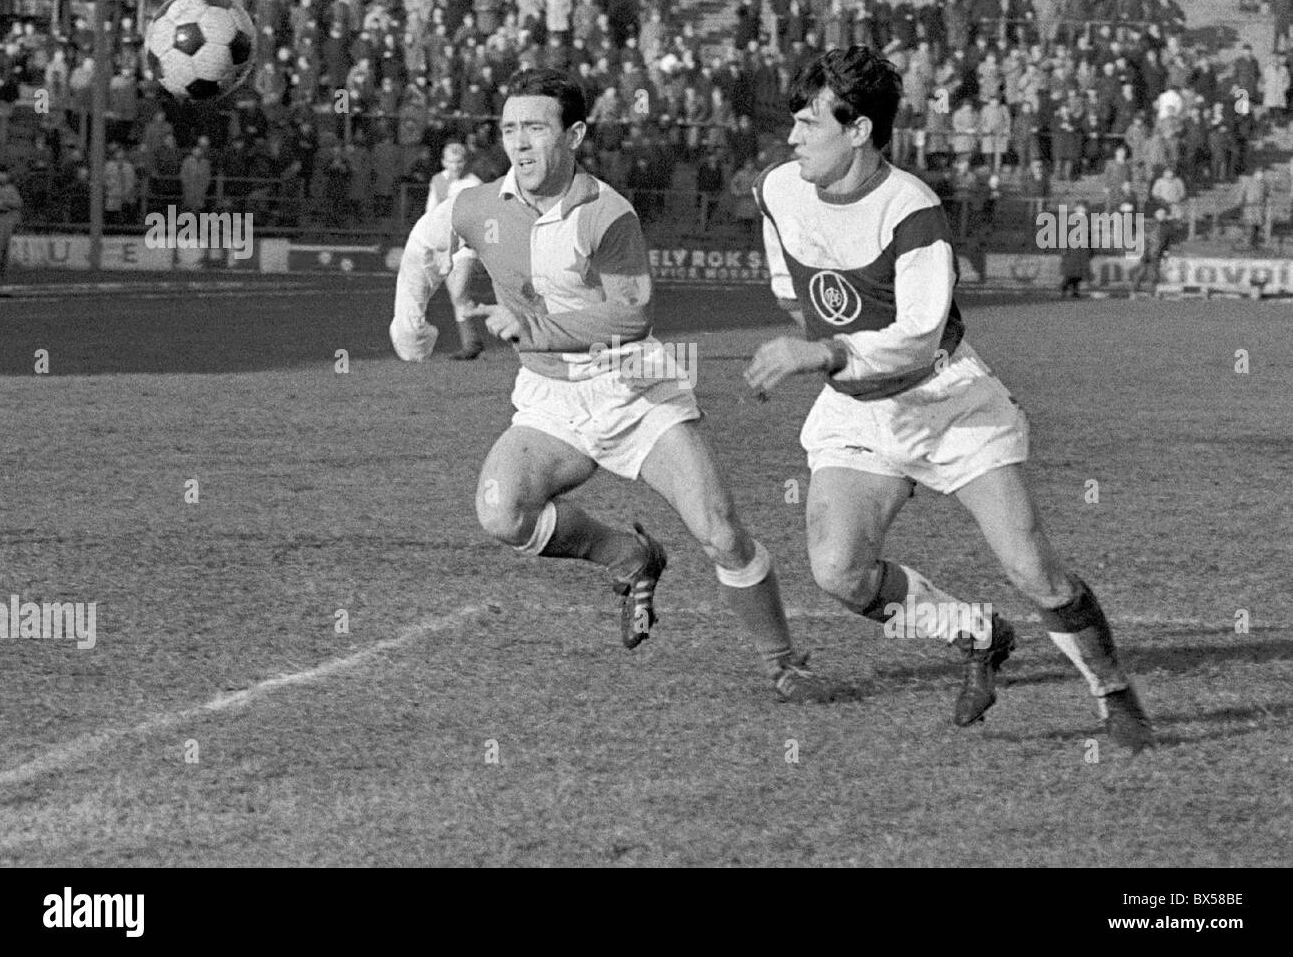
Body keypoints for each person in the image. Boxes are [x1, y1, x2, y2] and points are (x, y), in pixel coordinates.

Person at [744, 46, 1154, 750]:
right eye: (795, 122)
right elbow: (787, 275)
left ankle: (1114, 696)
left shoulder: (912, 208)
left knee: (1033, 567)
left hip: (947, 399)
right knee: (840, 572)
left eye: (811, 124)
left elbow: (919, 333)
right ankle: (977, 635)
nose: (794, 137)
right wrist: (812, 332)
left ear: (861, 130)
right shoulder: (779, 188)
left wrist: (822, 350)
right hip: (857, 408)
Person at [389, 68, 839, 703]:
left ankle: (785, 662)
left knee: (719, 530)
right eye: (510, 128)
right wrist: (406, 321)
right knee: (501, 511)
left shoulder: (607, 212)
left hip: (633, 387)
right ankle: (628, 558)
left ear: (572, 134)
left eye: (535, 128)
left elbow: (631, 317)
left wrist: (533, 326)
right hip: (550, 397)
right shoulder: (479, 204)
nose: (520, 143)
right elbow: (424, 245)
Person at [425, 142, 486, 360]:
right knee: (458, 297)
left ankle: (500, 320)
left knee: (459, 291)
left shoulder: (473, 183)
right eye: (451, 161)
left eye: (459, 161)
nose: (455, 165)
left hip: (467, 246)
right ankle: (471, 343)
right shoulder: (438, 182)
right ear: (443, 162)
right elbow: (430, 213)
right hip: (447, 246)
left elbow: (483, 214)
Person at [0, 162, 21, 295]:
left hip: (6, 226)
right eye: (0, 173)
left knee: (3, 258)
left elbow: (18, 202)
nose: (3, 176)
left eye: (5, 173)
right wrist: (7, 204)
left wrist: (3, 202)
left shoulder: (11, 188)